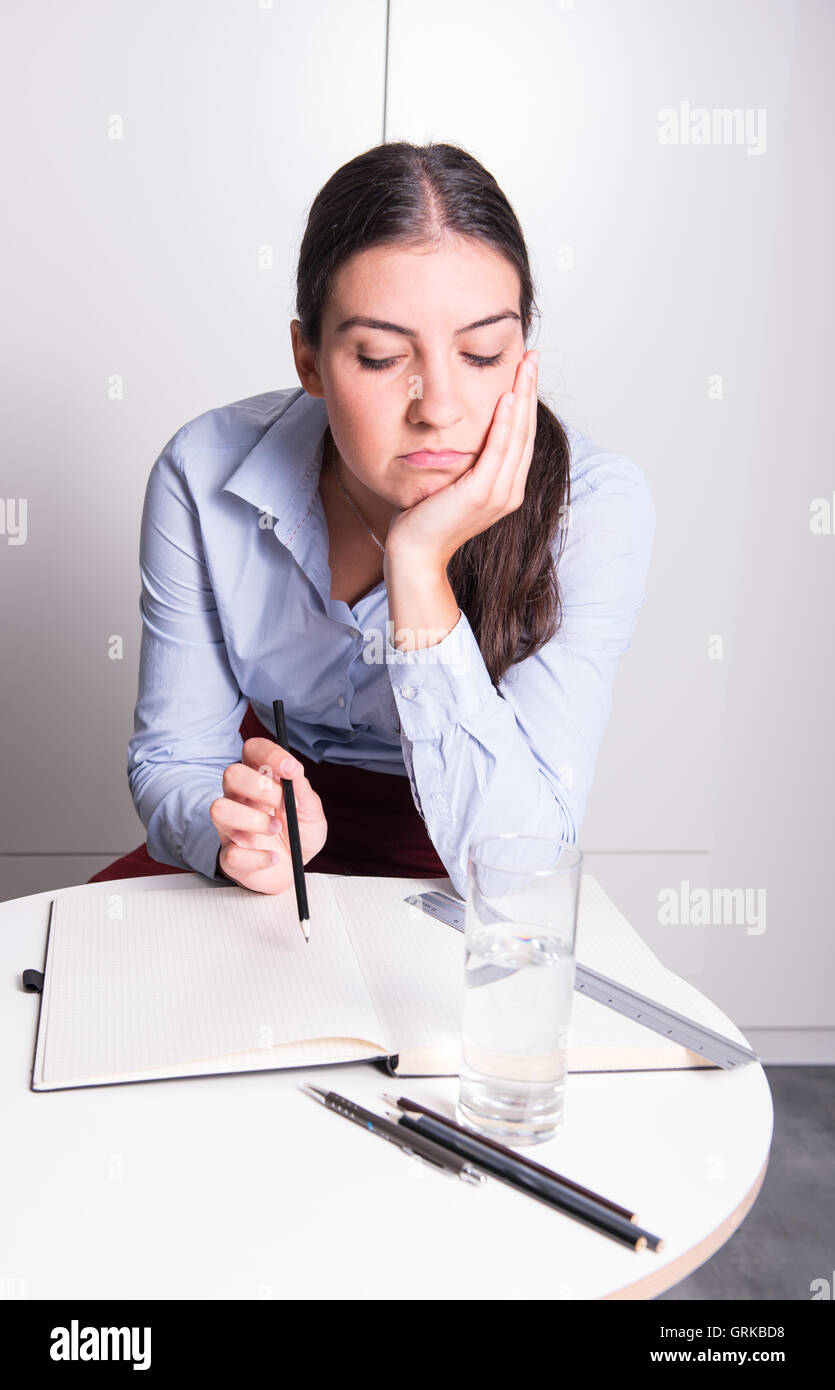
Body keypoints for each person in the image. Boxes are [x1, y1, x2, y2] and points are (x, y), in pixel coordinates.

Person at [88, 140, 655, 899]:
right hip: (262, 848)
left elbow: (518, 861)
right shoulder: (204, 470)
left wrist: (418, 568)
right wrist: (233, 828)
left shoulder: (592, 508)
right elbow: (175, 761)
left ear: (524, 353)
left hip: (457, 856)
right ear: (309, 360)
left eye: (483, 355)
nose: (440, 409)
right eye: (383, 358)